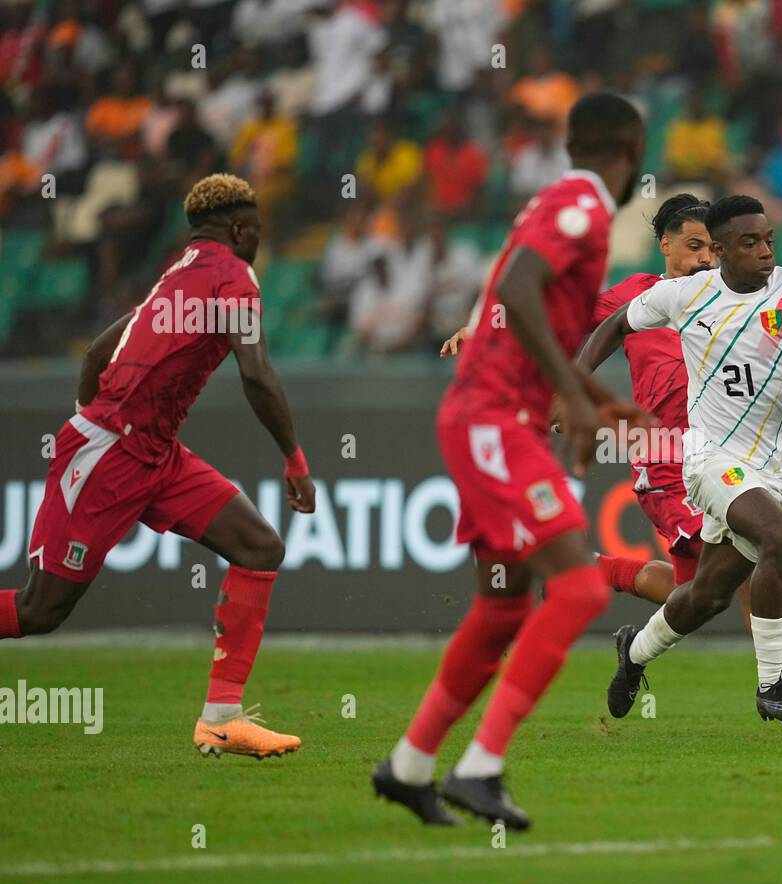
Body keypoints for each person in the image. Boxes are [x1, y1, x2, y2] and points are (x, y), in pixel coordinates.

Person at [372, 94, 651, 832]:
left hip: (495, 417)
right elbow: (522, 290)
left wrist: (595, 395)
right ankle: (480, 766)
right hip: (495, 423)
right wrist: (575, 395)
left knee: (501, 608)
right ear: (630, 148)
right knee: (582, 589)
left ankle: (406, 766)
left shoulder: (553, 202)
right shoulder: (584, 205)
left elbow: (517, 315)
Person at [0, 174, 317, 760]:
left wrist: (99, 419)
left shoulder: (178, 273)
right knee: (39, 610)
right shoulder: (233, 276)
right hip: (113, 453)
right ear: (241, 229)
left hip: (154, 453)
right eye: (257, 232)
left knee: (258, 546)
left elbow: (98, 351)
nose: (259, 244)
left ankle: (222, 719)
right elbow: (257, 373)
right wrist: (294, 458)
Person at [575, 193, 782, 732]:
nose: (764, 252)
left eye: (768, 241)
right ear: (715, 248)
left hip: (771, 471)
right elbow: (599, 323)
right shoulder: (674, 295)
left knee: (705, 594)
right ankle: (779, 687)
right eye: (749, 242)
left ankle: (635, 652)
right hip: (699, 460)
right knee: (777, 538)